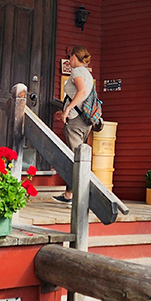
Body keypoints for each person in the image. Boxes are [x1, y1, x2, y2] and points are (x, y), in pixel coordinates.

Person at [54, 46, 94, 203]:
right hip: (84, 120)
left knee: (76, 158)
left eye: (70, 56)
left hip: (76, 120)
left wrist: (68, 110)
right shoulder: (88, 74)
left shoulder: (77, 71)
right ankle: (69, 194)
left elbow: (82, 92)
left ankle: (85, 195)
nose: (69, 59)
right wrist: (63, 111)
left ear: (75, 57)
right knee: (77, 155)